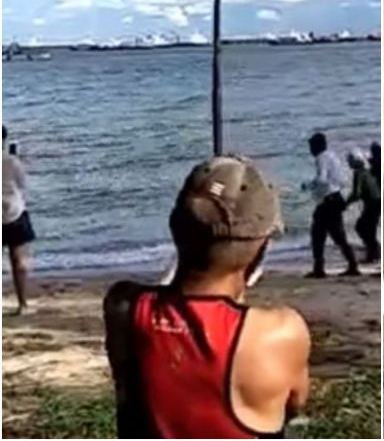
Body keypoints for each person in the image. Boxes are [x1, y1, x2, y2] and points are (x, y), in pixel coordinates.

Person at [103, 155, 310, 438]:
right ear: (261, 246)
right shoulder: (280, 331)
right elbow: (294, 404)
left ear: (175, 229)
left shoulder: (124, 306)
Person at [301, 132, 359, 278]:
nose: (310, 150)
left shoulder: (321, 158)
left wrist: (309, 186)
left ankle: (319, 269)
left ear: (317, 145)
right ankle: (352, 265)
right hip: (336, 198)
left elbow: (322, 180)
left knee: (317, 235)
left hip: (328, 201)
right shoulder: (333, 156)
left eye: (311, 146)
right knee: (338, 235)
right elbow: (342, 179)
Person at [3, 125, 36, 315]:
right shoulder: (12, 161)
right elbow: (23, 185)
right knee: (18, 260)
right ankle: (22, 303)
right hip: (14, 213)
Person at [345, 150, 380, 263]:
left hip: (372, 204)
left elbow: (357, 193)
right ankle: (373, 254)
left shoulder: (358, 173)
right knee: (369, 229)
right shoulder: (367, 171)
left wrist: (345, 203)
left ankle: (375, 252)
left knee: (361, 227)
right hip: (376, 203)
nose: (348, 163)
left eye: (350, 160)